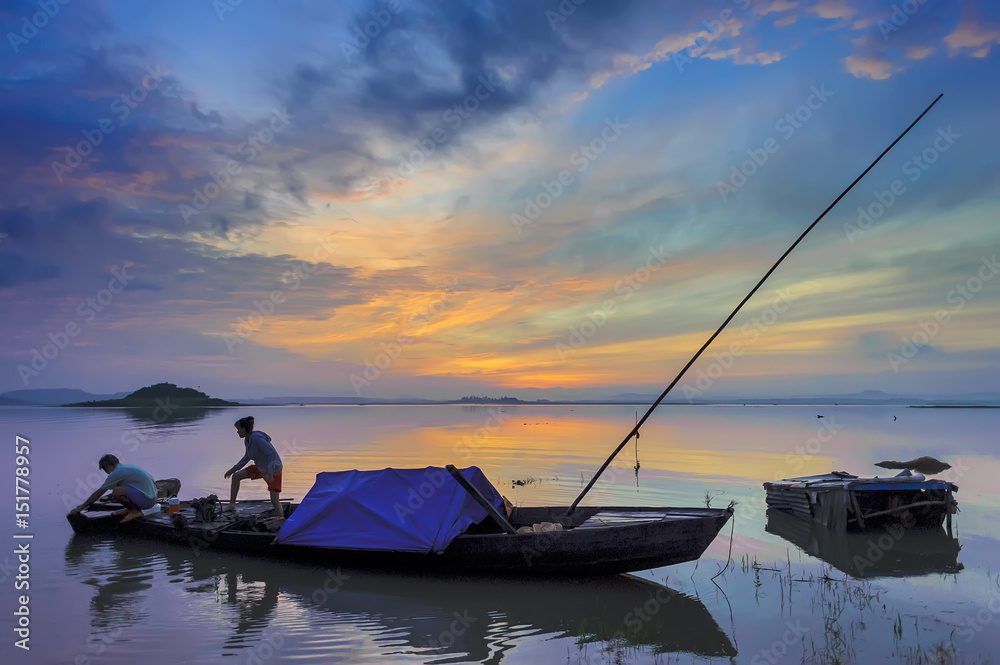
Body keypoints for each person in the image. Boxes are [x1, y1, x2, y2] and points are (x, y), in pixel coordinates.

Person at [225, 416, 284, 520]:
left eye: (238, 429)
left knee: (274, 500)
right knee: (236, 476)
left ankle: (282, 522)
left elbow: (271, 454)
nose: (237, 432)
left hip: (273, 470)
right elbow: (247, 457)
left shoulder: (257, 439)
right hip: (261, 468)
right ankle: (232, 504)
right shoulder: (247, 440)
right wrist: (232, 470)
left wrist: (270, 473)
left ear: (244, 428)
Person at [68, 454, 158, 523]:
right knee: (119, 487)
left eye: (104, 469)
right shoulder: (127, 468)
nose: (106, 472)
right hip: (153, 499)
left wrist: (81, 507)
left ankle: (135, 511)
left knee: (116, 491)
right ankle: (130, 509)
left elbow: (99, 493)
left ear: (108, 466)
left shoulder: (116, 473)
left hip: (147, 501)